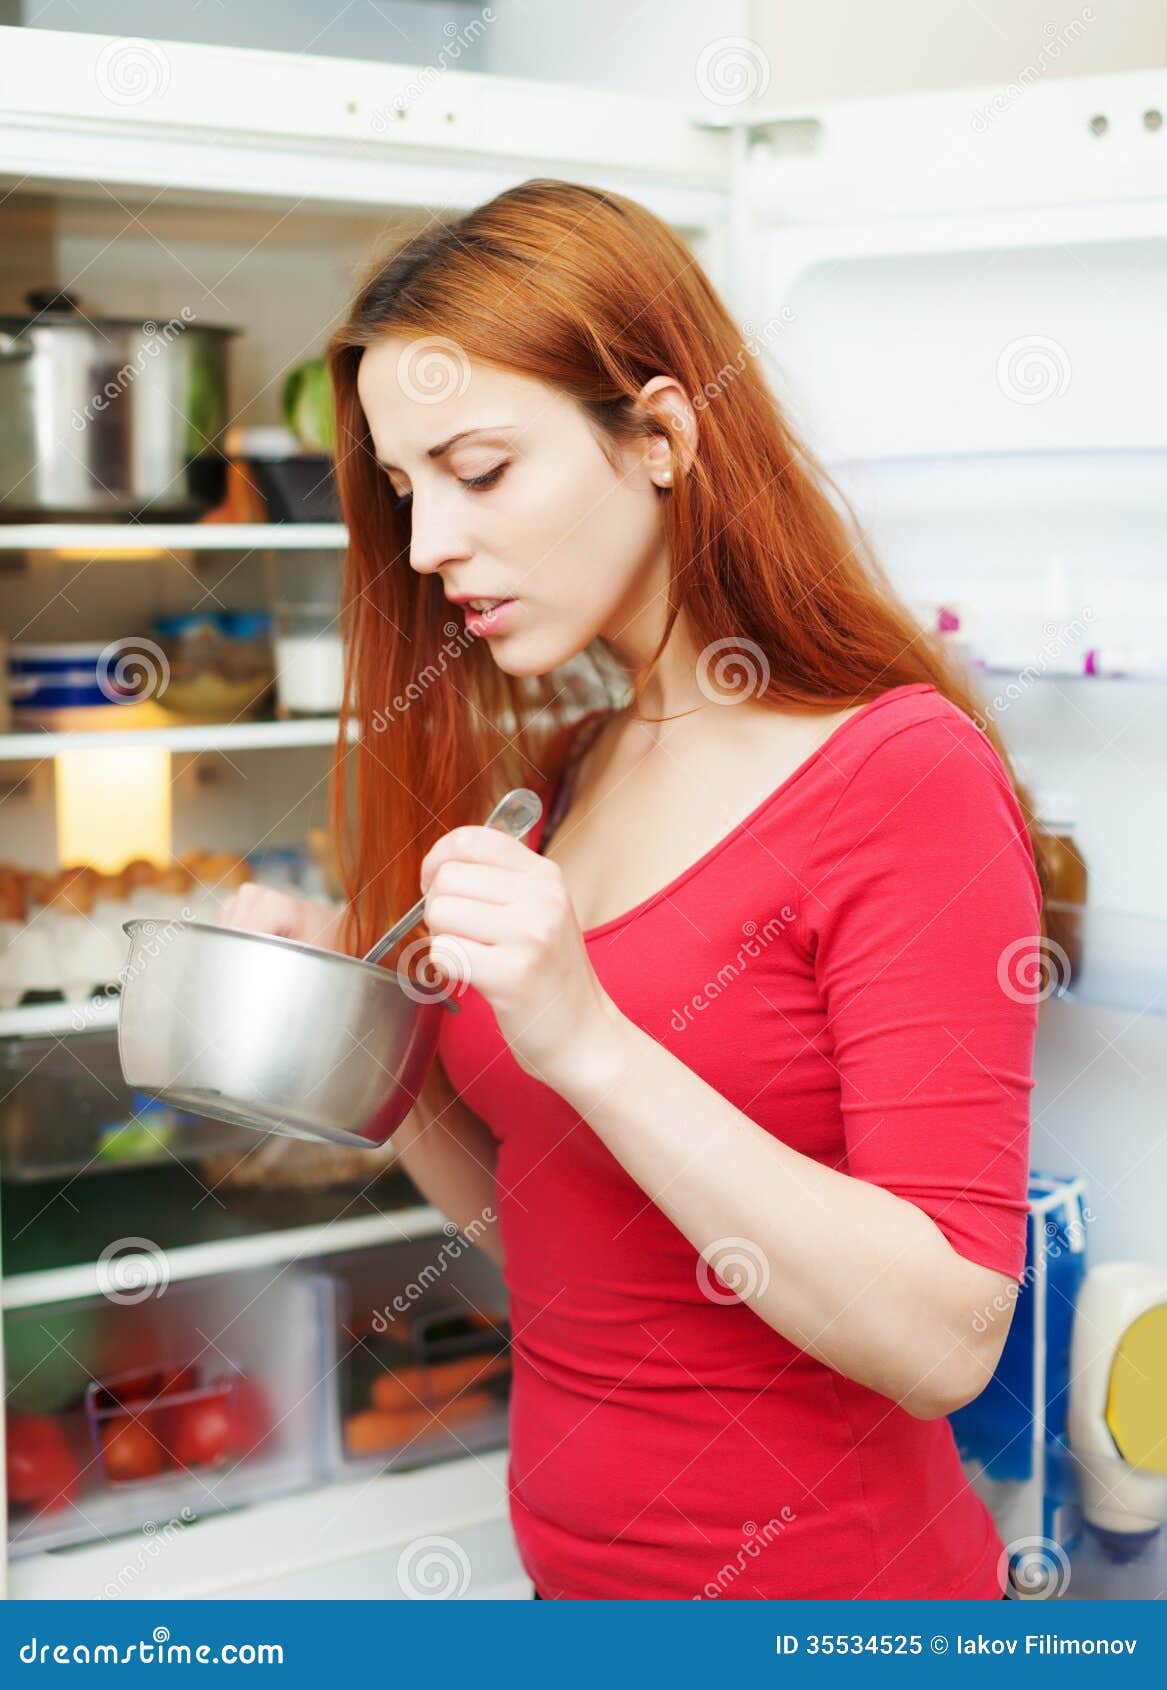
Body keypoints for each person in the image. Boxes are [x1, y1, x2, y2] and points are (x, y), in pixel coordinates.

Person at [217, 179, 1049, 1601]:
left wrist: (589, 1034)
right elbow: (567, 1230)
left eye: (478, 471)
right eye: (407, 492)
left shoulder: (903, 775)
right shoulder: (570, 769)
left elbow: (947, 1337)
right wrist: (369, 1044)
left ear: (661, 434)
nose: (426, 550)